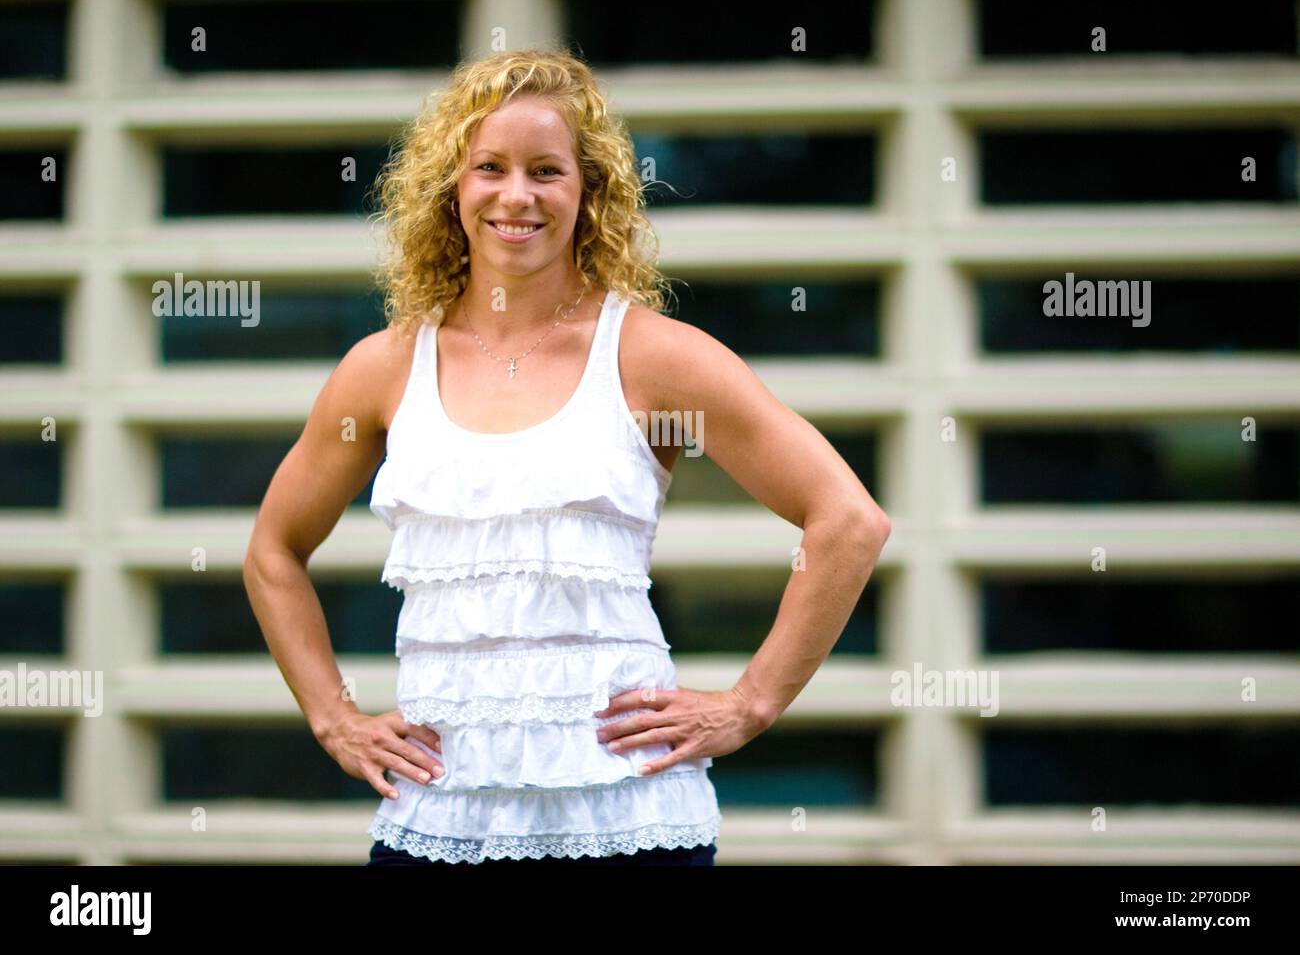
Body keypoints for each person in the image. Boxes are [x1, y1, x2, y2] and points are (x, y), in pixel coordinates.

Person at [242, 45, 890, 866]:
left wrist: (748, 705)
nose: (517, 195)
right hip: (438, 828)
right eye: (490, 168)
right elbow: (273, 551)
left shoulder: (652, 358)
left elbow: (848, 520)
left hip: (630, 825)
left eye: (546, 171)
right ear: (452, 186)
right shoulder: (382, 367)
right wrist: (335, 718)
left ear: (590, 193)